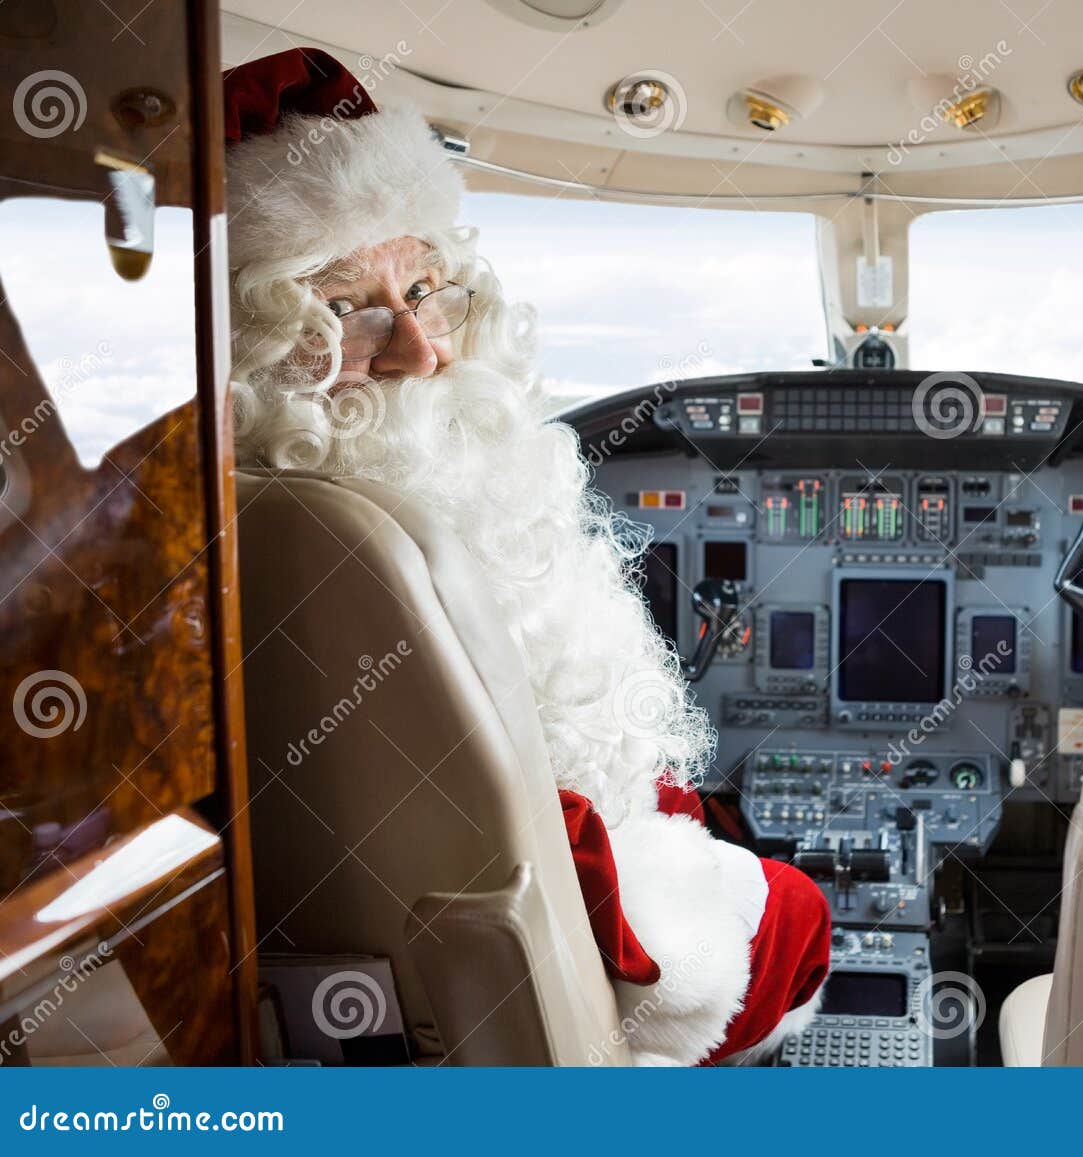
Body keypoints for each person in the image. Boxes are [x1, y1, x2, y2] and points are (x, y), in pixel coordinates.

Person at [222, 47, 829, 1065]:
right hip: (565, 1015)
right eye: (343, 310)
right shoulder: (388, 557)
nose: (424, 350)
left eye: (424, 288)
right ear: (246, 337)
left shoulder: (231, 537)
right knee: (797, 919)